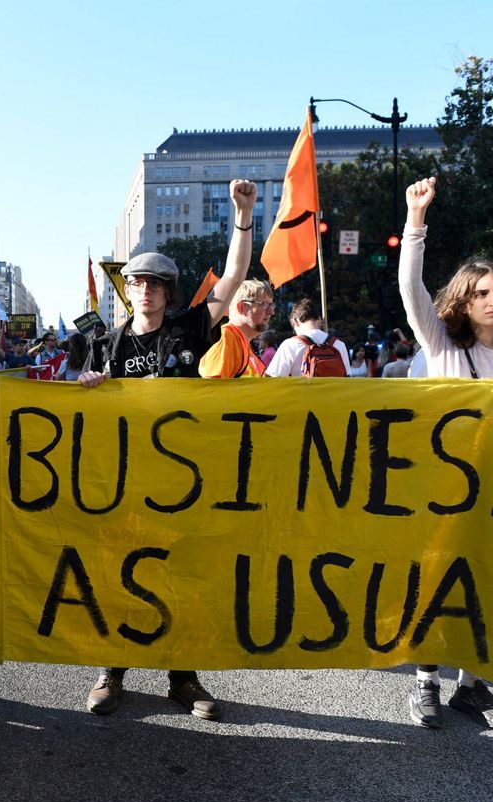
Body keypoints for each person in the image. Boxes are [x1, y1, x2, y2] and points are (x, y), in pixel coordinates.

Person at [78, 177, 258, 720]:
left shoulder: (190, 328)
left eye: (157, 284)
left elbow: (233, 278)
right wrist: (88, 386)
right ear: (126, 289)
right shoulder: (105, 344)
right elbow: (81, 408)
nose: (147, 291)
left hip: (186, 482)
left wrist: (243, 215)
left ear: (170, 292)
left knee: (183, 575)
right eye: (138, 283)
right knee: (123, 573)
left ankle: (183, 678)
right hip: (126, 482)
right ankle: (113, 671)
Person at [399, 175, 493, 730]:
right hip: (441, 487)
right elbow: (411, 288)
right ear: (464, 298)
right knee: (437, 580)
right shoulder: (440, 343)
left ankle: (472, 685)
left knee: (487, 580)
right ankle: (426, 683)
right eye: (482, 292)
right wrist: (415, 220)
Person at [198, 279, 272, 378]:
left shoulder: (241, 343)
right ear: (242, 307)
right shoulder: (225, 338)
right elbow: (212, 388)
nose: (271, 312)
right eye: (264, 305)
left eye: (271, 306)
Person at [263, 297, 352, 378]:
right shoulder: (339, 345)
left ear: (295, 321)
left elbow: (273, 380)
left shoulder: (290, 345)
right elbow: (348, 379)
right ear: (319, 320)